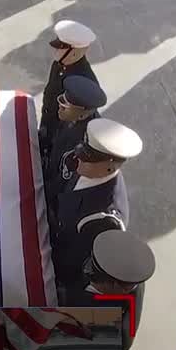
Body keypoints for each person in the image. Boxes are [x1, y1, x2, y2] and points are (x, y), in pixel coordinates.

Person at [52, 118, 142, 300]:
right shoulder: (90, 171)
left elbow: (81, 265)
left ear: (109, 166)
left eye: (87, 157)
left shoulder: (104, 221)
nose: (78, 158)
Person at [78, 230, 154, 350]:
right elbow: (124, 344)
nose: (135, 287)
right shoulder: (100, 316)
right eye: (129, 286)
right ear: (115, 285)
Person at [39, 20, 98, 173]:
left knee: (55, 165)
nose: (55, 51)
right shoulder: (60, 64)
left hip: (65, 134)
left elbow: (80, 118)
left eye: (61, 48)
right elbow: (50, 93)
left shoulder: (84, 82)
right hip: (50, 124)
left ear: (74, 52)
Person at [45, 75, 107, 208]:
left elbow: (66, 181)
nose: (59, 108)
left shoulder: (86, 143)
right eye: (61, 103)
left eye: (65, 107)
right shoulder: (71, 118)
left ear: (82, 114)